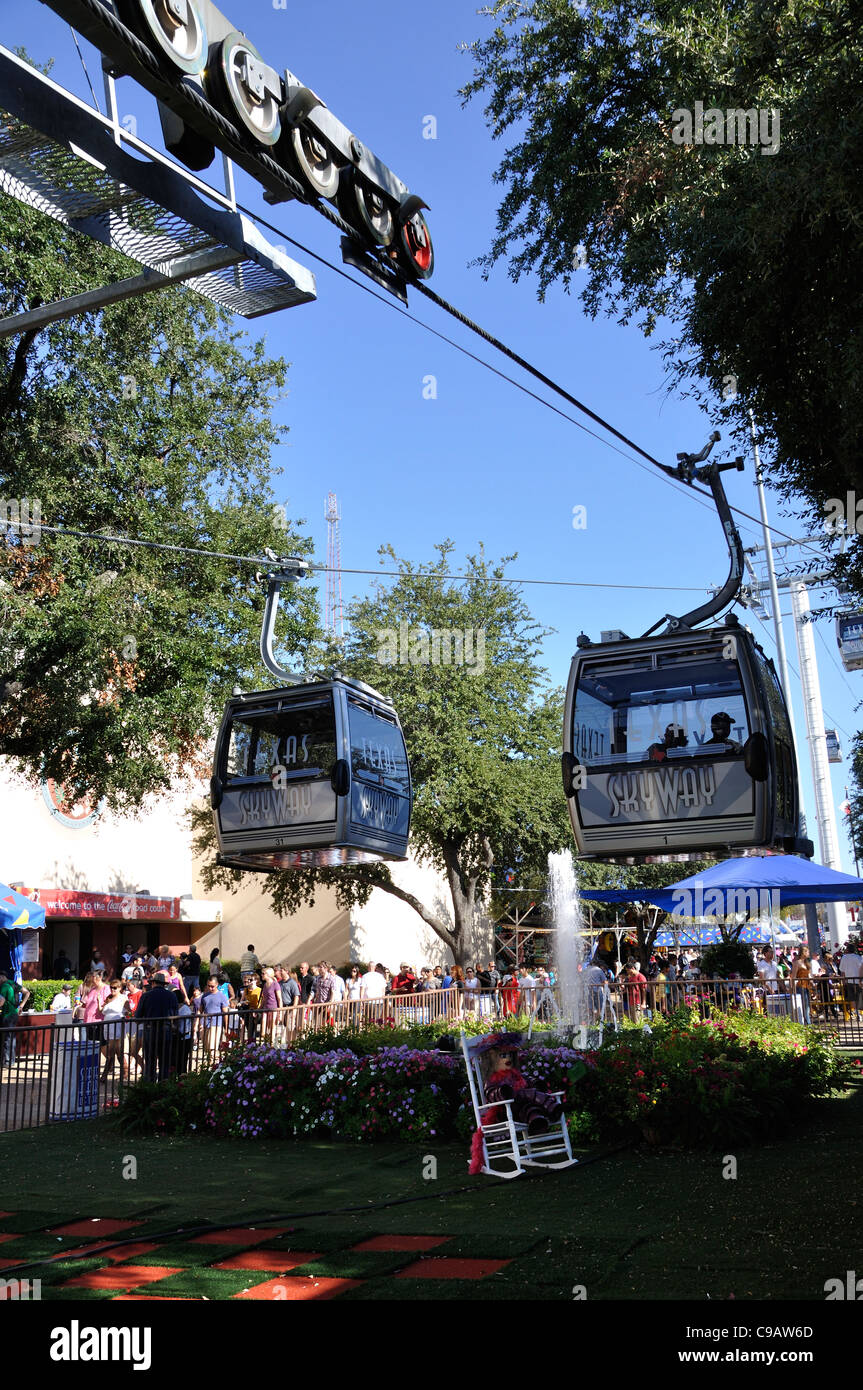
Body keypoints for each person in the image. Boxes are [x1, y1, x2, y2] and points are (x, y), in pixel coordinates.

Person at [134, 972, 180, 1082]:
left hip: (150, 1031)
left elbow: (137, 1017)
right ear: (164, 984)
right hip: (166, 1031)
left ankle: (150, 1086)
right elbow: (176, 1015)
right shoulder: (171, 995)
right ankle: (163, 1086)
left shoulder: (146, 996)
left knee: (150, 1061)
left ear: (153, 983)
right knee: (164, 1061)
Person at [100, 980, 131, 1083]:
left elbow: (129, 1011)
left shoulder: (123, 998)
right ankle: (125, 1072)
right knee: (117, 1050)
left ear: (120, 988)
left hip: (117, 1025)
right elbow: (102, 1010)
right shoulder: (109, 998)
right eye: (111, 987)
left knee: (112, 1050)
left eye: (115, 988)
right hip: (107, 1025)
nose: (112, 989)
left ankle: (104, 1075)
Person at [199, 977, 229, 1061]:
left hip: (216, 1024)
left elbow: (225, 1013)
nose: (210, 988)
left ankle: (213, 1063)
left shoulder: (222, 996)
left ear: (217, 985)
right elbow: (200, 1010)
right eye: (209, 986)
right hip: (205, 1023)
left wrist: (226, 1027)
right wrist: (198, 1022)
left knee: (213, 1046)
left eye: (212, 986)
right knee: (206, 1047)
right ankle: (212, 1063)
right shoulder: (205, 995)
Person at [790, 945, 813, 1024]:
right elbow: (793, 976)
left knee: (808, 1005)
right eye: (807, 951)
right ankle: (807, 1023)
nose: (809, 953)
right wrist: (792, 988)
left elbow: (809, 975)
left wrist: (812, 983)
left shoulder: (807, 963)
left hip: (807, 985)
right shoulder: (797, 963)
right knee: (804, 1005)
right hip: (801, 986)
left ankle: (807, 1022)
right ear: (803, 952)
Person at [0, 971, 19, 1064]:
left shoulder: (4, 986)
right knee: (12, 1037)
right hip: (15, 1014)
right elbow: (27, 992)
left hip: (7, 1015)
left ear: (2, 977)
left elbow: (1, 1001)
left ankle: (7, 1061)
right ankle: (11, 1060)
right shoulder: (13, 983)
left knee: (7, 1038)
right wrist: (22, 1006)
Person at [839, 942, 863, 1016]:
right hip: (857, 979)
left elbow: (842, 970)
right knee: (859, 997)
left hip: (848, 980)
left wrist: (843, 980)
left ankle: (857, 1012)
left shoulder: (844, 957)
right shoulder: (858, 957)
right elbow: (861, 969)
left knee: (852, 998)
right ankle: (859, 1013)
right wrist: (860, 980)